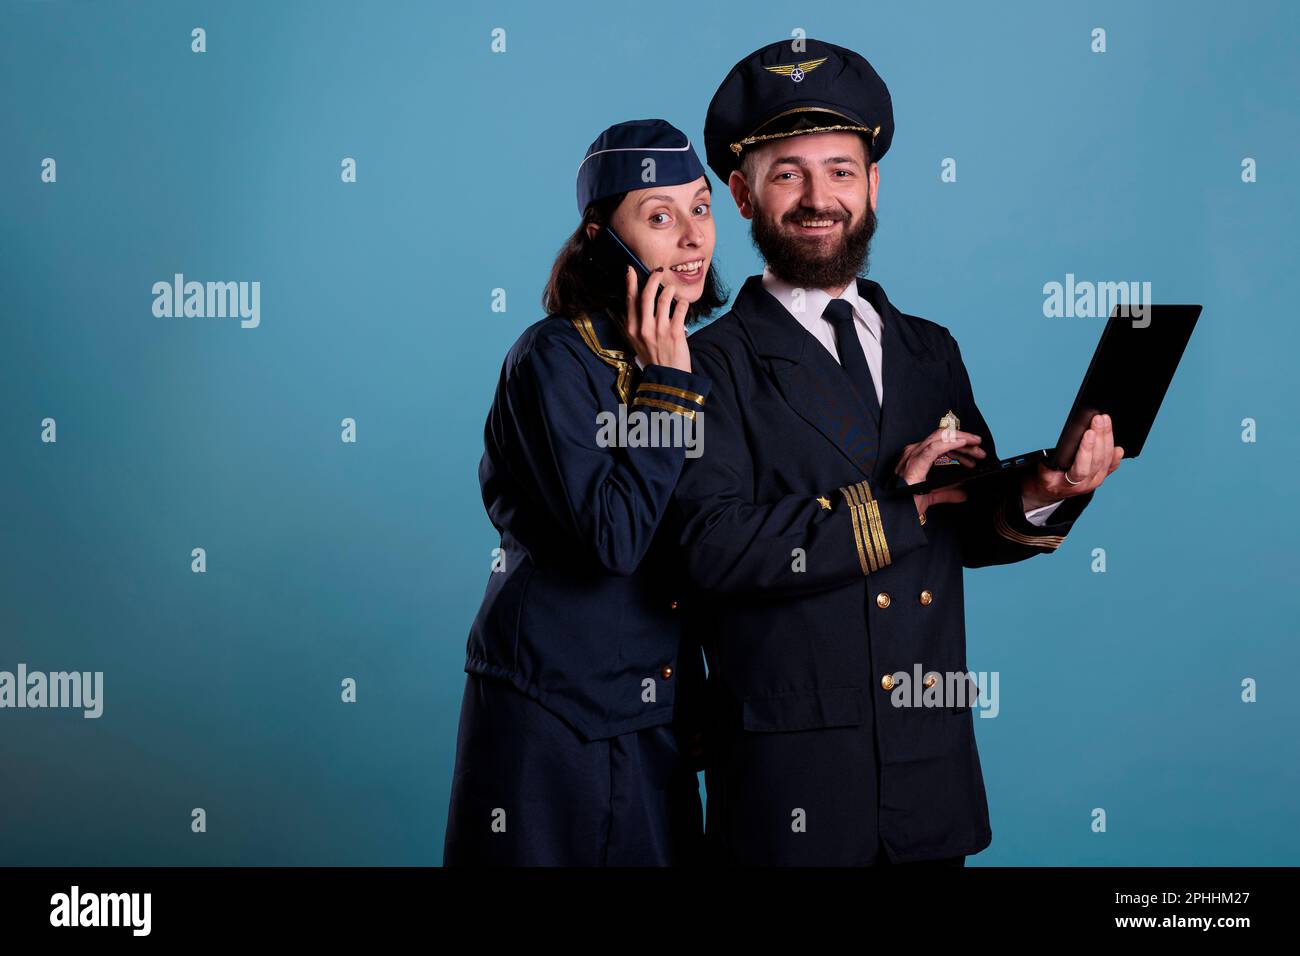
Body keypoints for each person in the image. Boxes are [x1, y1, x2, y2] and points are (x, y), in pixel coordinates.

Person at [672, 39, 1123, 865]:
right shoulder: (703, 365)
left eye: (841, 171)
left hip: (927, 773)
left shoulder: (930, 350)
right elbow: (710, 548)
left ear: (874, 184)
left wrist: (1050, 486)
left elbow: (965, 523)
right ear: (740, 194)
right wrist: (899, 507)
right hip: (791, 783)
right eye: (788, 173)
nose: (819, 199)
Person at [443, 119, 726, 866]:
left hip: (652, 713)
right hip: (550, 710)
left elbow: (693, 541)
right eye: (660, 217)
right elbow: (616, 538)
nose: (693, 238)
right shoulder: (553, 358)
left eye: (701, 208)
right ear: (602, 235)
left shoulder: (692, 361)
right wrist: (666, 390)